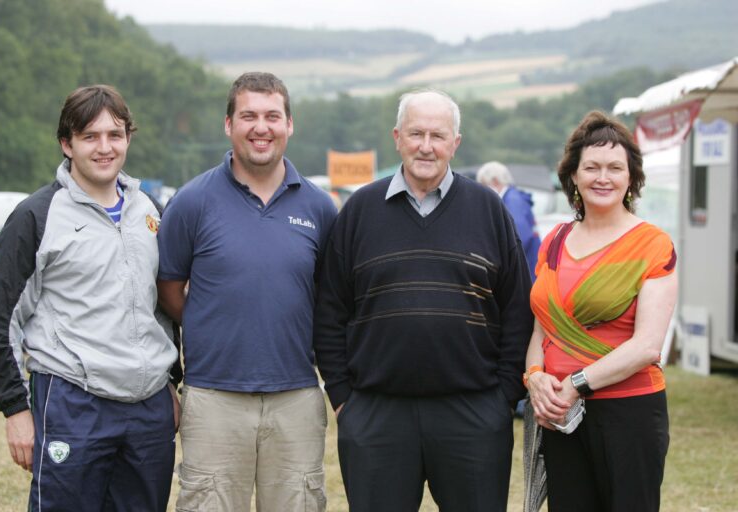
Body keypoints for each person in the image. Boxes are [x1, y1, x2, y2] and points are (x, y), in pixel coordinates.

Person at [313, 90, 533, 512]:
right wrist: (343, 397)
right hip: (377, 414)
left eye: (438, 135)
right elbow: (329, 311)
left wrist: (503, 396)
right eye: (416, 133)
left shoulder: (488, 209)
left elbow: (517, 309)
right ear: (397, 137)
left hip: (473, 412)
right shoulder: (360, 211)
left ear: (456, 143)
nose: (426, 146)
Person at [0, 84, 181, 511]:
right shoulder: (37, 215)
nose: (104, 147)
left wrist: (171, 385)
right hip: (72, 402)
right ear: (67, 144)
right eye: (90, 136)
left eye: (115, 135)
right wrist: (15, 410)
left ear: (128, 139)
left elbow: (163, 307)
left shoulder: (151, 211)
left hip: (148, 410)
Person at [157, 72, 337, 512]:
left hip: (295, 395)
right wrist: (210, 321)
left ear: (290, 124)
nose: (262, 127)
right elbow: (168, 288)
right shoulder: (192, 201)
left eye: (273, 116)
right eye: (249, 116)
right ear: (228, 125)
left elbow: (328, 299)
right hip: (213, 397)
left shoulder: (319, 207)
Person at [524, 110, 677, 511]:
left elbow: (647, 346)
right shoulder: (554, 240)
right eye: (591, 167)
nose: (602, 177)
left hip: (628, 413)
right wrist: (536, 379)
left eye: (614, 168)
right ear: (573, 175)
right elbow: (542, 330)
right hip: (562, 415)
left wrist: (573, 385)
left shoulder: (652, 244)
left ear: (631, 178)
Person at [477, 161, 541, 281]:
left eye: (484, 185)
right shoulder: (514, 197)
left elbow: (520, 237)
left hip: (527, 270)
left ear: (495, 181)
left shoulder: (512, 201)